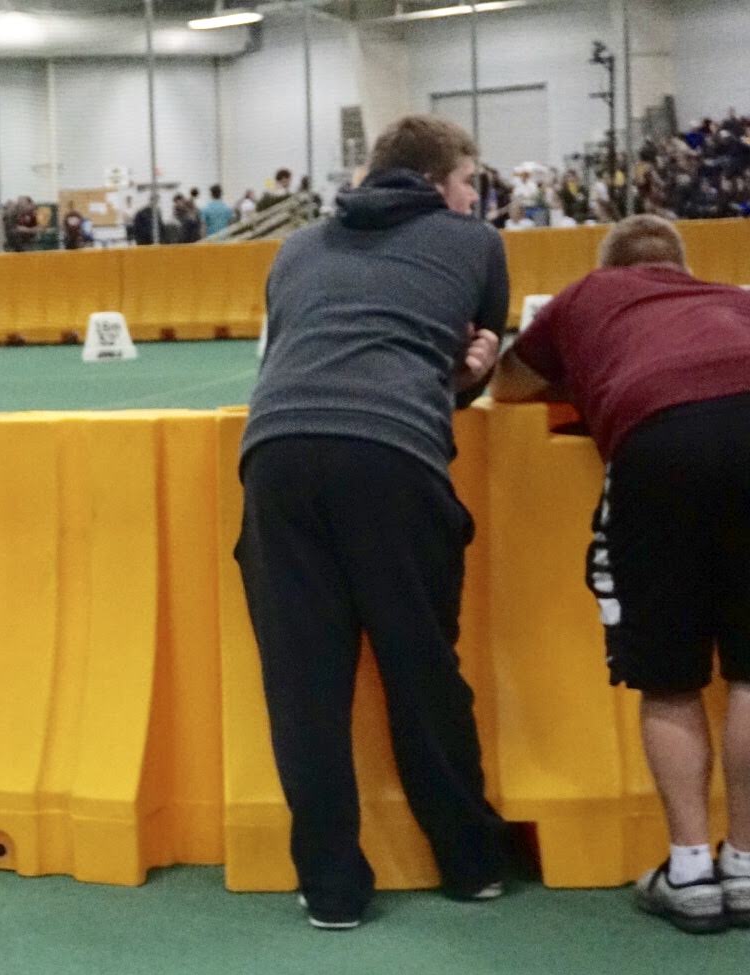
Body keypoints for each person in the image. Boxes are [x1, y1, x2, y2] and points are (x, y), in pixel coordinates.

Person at [236, 114, 510, 930]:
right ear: (440, 182)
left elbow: (284, 350)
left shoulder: (296, 249)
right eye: (469, 184)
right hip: (392, 453)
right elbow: (467, 360)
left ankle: (332, 888)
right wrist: (470, 373)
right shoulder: (477, 243)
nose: (473, 199)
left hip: (277, 454)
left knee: (303, 685)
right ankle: (470, 862)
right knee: (420, 663)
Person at [493, 215, 750, 933]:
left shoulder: (585, 297)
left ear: (607, 267)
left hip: (663, 439)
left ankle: (692, 870)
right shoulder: (731, 296)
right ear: (681, 266)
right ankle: (748, 867)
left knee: (668, 674)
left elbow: (509, 386)